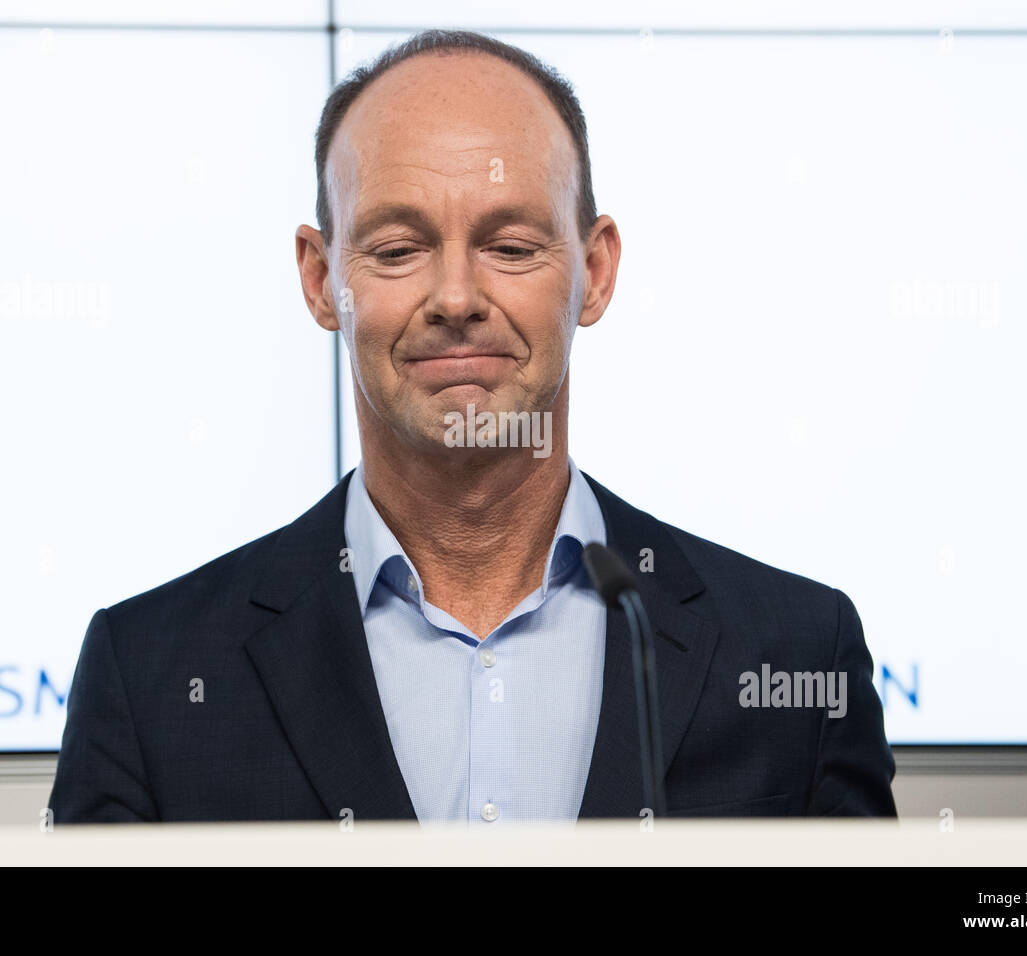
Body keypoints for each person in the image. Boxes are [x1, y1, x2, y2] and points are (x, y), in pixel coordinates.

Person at [49, 29, 896, 824]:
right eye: (396, 249)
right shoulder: (150, 675)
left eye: (512, 246)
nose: (456, 299)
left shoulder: (794, 653)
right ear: (319, 281)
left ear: (594, 273)